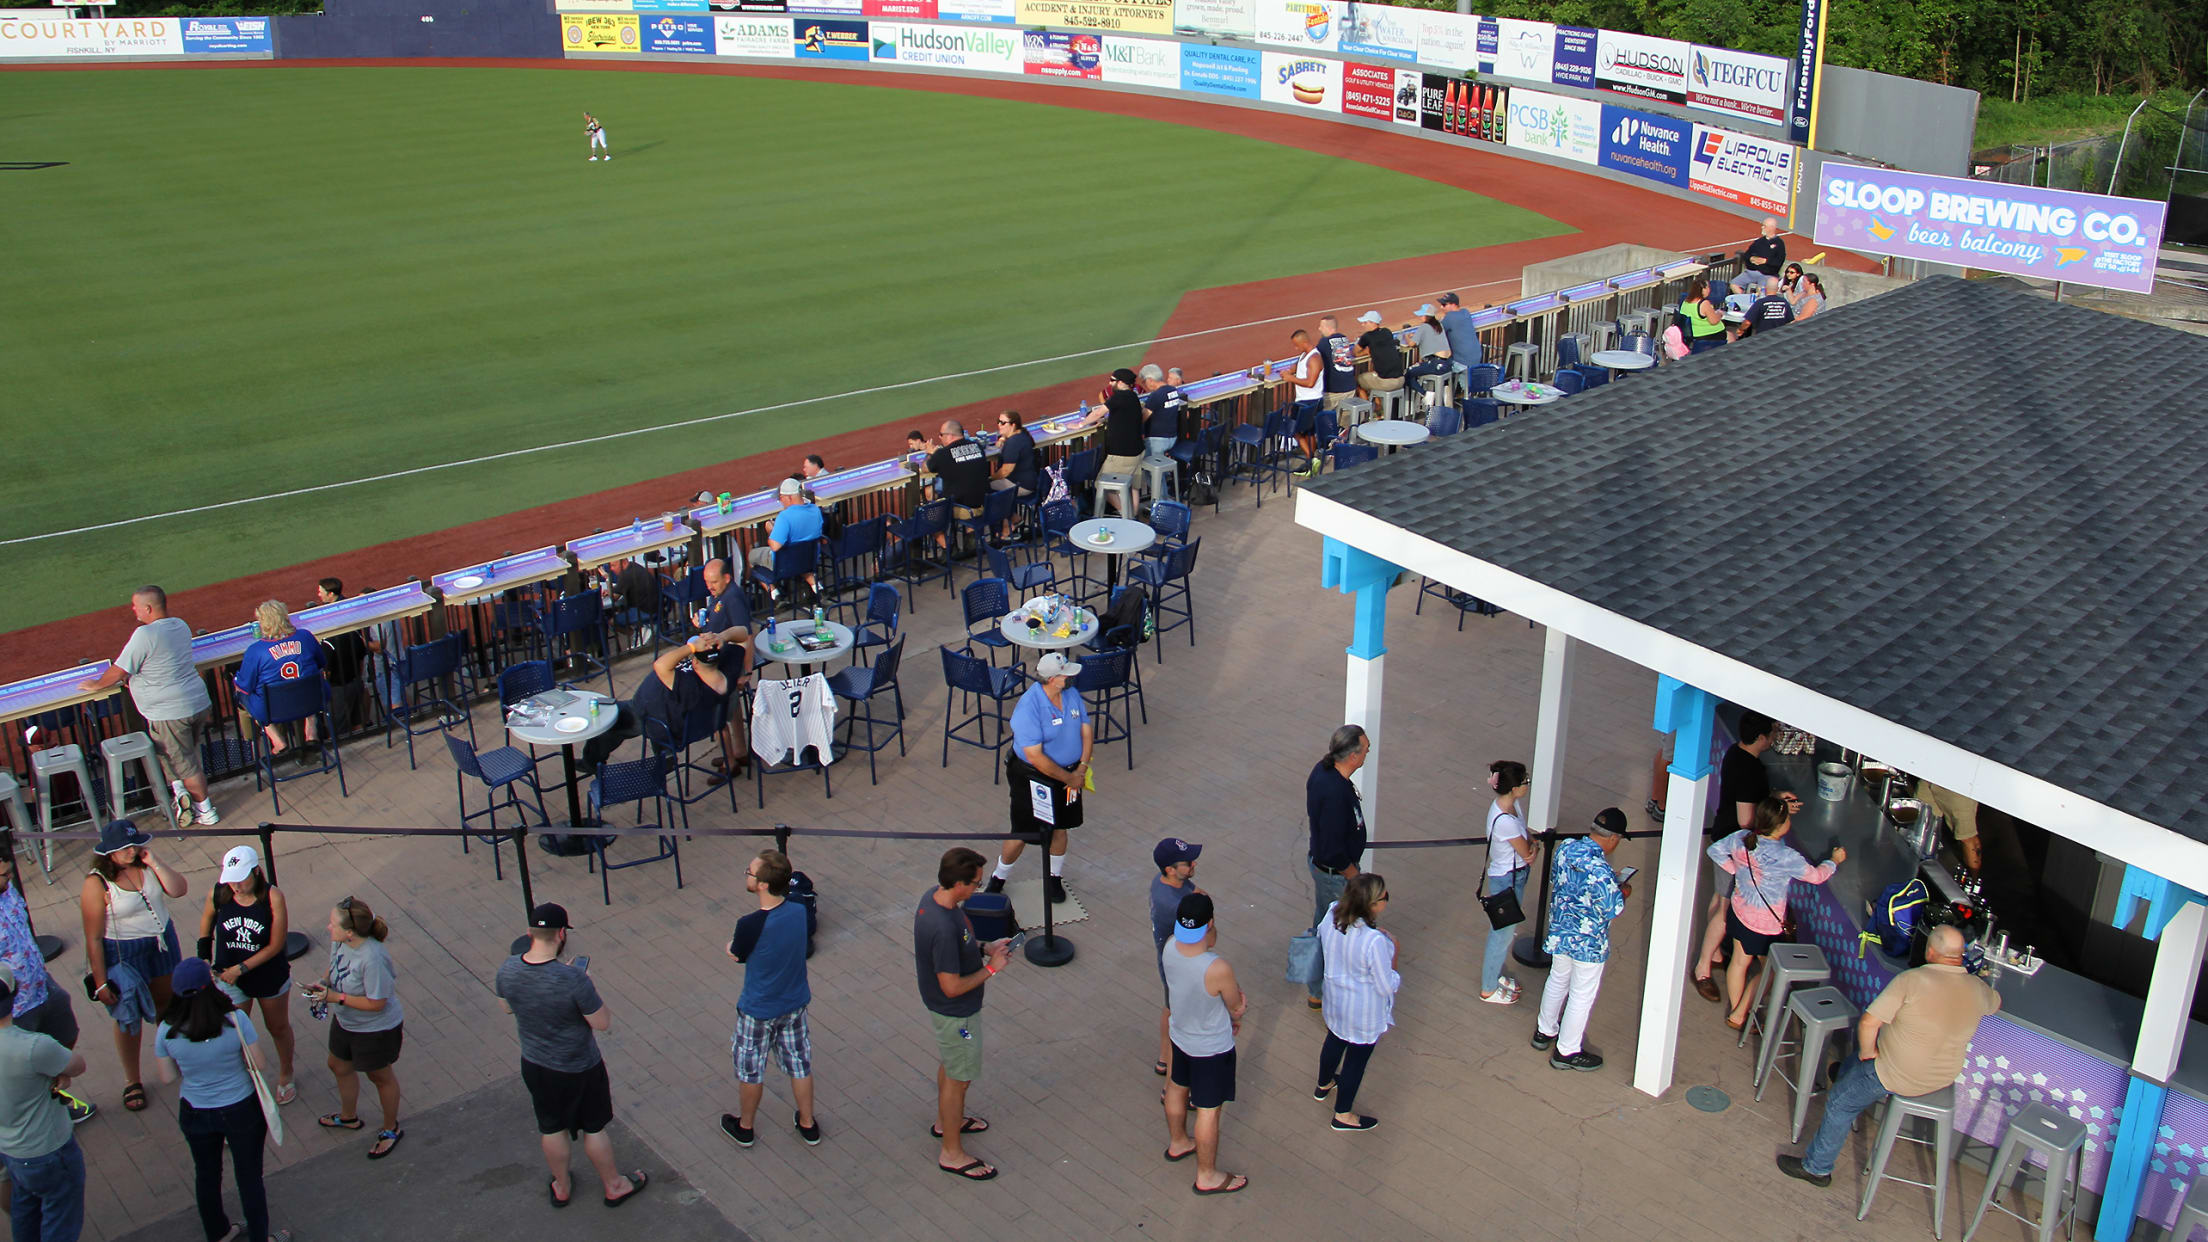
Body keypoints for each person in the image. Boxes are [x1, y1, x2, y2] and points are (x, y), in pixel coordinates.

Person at [1779, 925, 2000, 1188]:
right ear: (1960, 955)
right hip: (1942, 1076)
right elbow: (1994, 1004)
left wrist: (1867, 1053)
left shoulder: (1912, 980)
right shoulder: (1977, 988)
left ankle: (1816, 1168)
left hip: (1897, 1074)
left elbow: (1869, 1023)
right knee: (1859, 1064)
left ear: (1930, 951)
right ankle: (1848, 1074)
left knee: (1841, 1102)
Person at [494, 904, 646, 1208]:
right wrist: (586, 982)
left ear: (529, 933)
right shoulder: (573, 980)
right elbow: (602, 1022)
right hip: (579, 1067)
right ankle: (614, 1185)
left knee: (551, 1126)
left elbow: (506, 1006)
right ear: (562, 934)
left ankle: (561, 1186)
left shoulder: (507, 969)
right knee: (593, 1127)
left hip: (536, 1064)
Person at [152, 957, 288, 1242]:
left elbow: (167, 1077)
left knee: (207, 1175)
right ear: (210, 986)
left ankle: (219, 1232)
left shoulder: (166, 1030)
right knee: (249, 1178)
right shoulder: (234, 1019)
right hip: (241, 1108)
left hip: (195, 1110)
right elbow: (259, 1063)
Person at [78, 586, 219, 826]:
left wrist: (97, 685)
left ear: (148, 608)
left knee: (185, 764)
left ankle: (205, 810)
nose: (133, 609)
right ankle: (181, 794)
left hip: (170, 712)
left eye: (135, 605)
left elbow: (119, 669)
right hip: (196, 702)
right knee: (176, 754)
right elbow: (158, 662)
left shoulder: (145, 635)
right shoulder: (180, 625)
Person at [914, 848, 1013, 1182]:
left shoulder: (938, 899)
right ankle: (952, 1153)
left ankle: (947, 1122)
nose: (978, 889)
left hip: (951, 1014)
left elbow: (963, 940)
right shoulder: (940, 927)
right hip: (957, 1014)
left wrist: (985, 947)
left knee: (951, 1064)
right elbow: (952, 987)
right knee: (960, 1078)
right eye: (975, 883)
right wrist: (992, 969)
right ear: (958, 883)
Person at [78, 820, 185, 1114]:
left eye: (134, 844)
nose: (131, 851)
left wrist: (156, 862)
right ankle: (132, 1079)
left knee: (167, 1003)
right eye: (124, 848)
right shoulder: (96, 882)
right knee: (129, 1015)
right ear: (109, 852)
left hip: (161, 941)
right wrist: (101, 982)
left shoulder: (147, 865)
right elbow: (93, 937)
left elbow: (178, 890)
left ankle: (172, 1055)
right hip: (124, 951)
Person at [1691, 711, 1798, 1002]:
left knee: (1718, 900)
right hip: (1732, 846)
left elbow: (1749, 797)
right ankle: (1703, 967)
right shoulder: (1751, 770)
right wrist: (1777, 813)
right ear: (1761, 738)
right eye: (1773, 733)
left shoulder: (1736, 754)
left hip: (1721, 838)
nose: (1775, 738)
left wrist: (1775, 798)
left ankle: (1712, 955)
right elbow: (1745, 819)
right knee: (1726, 911)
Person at [1716, 798, 1845, 1030]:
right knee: (1771, 971)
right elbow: (1816, 876)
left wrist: (1736, 871)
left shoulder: (1740, 839)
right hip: (1765, 924)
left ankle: (1739, 1012)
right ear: (1782, 824)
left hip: (1739, 910)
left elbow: (1714, 850)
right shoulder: (1786, 857)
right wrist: (1834, 861)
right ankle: (1739, 1013)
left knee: (1739, 962)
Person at [721, 850, 819, 1149]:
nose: (748, 876)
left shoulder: (750, 924)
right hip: (795, 1001)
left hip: (759, 1008)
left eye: (750, 873)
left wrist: (729, 946)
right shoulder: (798, 909)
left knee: (752, 1069)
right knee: (800, 1064)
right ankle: (808, 1123)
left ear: (763, 884)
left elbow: (738, 953)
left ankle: (746, 1126)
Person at [304, 896, 405, 1159]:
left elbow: (377, 1003)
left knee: (380, 1077)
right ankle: (348, 1117)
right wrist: (323, 982)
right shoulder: (342, 942)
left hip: (375, 1029)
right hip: (347, 1021)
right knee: (338, 1065)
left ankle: (390, 1128)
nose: (328, 928)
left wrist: (336, 998)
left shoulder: (373, 958)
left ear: (349, 932)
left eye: (332, 924)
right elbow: (334, 966)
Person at [1161, 892, 1247, 1196]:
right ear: (1210, 924)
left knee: (1176, 1087)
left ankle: (1178, 1142)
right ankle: (1207, 1175)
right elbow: (1235, 1005)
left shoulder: (1170, 947)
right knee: (1209, 1110)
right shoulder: (1216, 967)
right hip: (1210, 1048)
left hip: (1180, 1035)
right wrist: (1239, 1006)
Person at [989, 652, 1091, 906]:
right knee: (1022, 832)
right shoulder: (1028, 709)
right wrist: (1069, 777)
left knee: (1060, 827)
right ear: (1053, 679)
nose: (1071, 677)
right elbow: (1036, 758)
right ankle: (998, 877)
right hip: (1032, 777)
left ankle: (1054, 878)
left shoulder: (1071, 694)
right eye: (1066, 673)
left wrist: (1082, 767)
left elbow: (1086, 730)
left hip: (1070, 775)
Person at [1533, 809, 1630, 1072]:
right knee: (1581, 995)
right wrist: (1622, 890)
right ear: (1614, 839)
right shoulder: (1601, 870)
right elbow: (1613, 909)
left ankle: (1544, 1031)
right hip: (1588, 943)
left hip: (1560, 931)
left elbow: (1557, 879)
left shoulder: (1566, 848)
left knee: (1557, 979)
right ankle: (1566, 1051)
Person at [198, 846, 295, 1105]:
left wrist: (241, 969)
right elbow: (206, 923)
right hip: (228, 974)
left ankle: (287, 1073)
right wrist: (204, 959)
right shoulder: (219, 894)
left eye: (242, 879)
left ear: (256, 872)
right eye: (232, 880)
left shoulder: (272, 897)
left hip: (266, 974)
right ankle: (242, 1077)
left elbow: (275, 945)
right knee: (234, 1030)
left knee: (277, 1026)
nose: (237, 886)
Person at [0, 961, 89, 1242]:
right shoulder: (35, 1046)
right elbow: (77, 1065)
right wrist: (60, 1076)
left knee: (25, 1216)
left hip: (11, 1153)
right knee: (61, 1220)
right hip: (49, 1151)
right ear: (14, 998)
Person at [0, 855, 89, 1126]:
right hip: (13, 1007)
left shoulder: (7, 889)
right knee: (23, 1064)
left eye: (8, 872)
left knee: (65, 1032)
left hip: (41, 984)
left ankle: (53, 1091)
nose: (10, 878)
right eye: (3, 875)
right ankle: (44, 1112)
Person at [580, 632, 736, 772]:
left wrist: (691, 647)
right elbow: (742, 632)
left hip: (650, 717)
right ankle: (664, 752)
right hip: (659, 711)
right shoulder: (723, 673)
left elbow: (661, 665)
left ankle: (591, 763)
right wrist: (720, 637)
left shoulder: (690, 685)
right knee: (618, 721)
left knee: (607, 720)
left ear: (695, 662)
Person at [1315, 873, 1397, 1132]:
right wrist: (1394, 955)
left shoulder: (1331, 914)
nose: (1386, 900)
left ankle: (1324, 1084)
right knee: (1356, 1061)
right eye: (1384, 896)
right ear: (1372, 905)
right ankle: (1343, 1114)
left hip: (1335, 1000)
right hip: (1362, 1012)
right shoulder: (1374, 942)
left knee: (1334, 1040)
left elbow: (1321, 937)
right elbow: (1386, 985)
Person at [1304, 725, 1368, 1009]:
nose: (1368, 751)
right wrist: (1354, 877)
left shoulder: (1325, 771)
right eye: (1365, 748)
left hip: (1329, 870)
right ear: (1352, 756)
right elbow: (1332, 850)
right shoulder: (1333, 793)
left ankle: (1317, 985)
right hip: (1334, 875)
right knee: (1333, 931)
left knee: (1323, 924)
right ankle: (1321, 987)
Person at [233, 599, 327, 758]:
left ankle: (278, 741)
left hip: (272, 711)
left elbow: (245, 686)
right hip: (314, 700)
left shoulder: (256, 651)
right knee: (310, 682)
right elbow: (321, 663)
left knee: (241, 694)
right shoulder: (305, 636)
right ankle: (311, 730)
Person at [1479, 760, 1535, 1005]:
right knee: (1501, 934)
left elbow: (1527, 840)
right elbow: (1527, 852)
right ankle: (1488, 988)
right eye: (1525, 781)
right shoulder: (1505, 821)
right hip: (1508, 879)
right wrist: (1534, 848)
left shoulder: (1509, 806)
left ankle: (1494, 976)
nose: (1527, 785)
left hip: (1511, 875)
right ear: (1513, 787)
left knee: (1503, 931)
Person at [1149, 837, 1203, 1077]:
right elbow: (1205, 927)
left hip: (1172, 958)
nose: (1194, 865)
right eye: (1188, 862)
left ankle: (1163, 1058)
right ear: (1170, 870)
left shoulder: (1164, 883)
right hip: (1179, 966)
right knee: (1181, 1019)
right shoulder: (1175, 904)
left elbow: (1199, 897)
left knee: (1170, 1008)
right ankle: (1174, 1077)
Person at [1079, 369, 1147, 519]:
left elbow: (1097, 413)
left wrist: (1080, 424)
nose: (1110, 383)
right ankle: (1134, 515)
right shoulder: (1133, 397)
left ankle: (1126, 515)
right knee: (1133, 486)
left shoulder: (1119, 397)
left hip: (1122, 454)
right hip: (1137, 450)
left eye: (1112, 380)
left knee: (1102, 485)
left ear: (1121, 382)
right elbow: (1123, 416)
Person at [314, 578, 376, 734]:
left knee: (339, 727)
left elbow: (327, 667)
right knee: (356, 720)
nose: (318, 594)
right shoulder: (348, 613)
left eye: (321, 592)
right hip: (354, 677)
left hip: (340, 684)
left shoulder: (331, 638)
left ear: (331, 594)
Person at [924, 418, 994, 526]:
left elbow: (926, 468)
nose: (939, 438)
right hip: (987, 503)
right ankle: (971, 534)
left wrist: (931, 452)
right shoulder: (977, 446)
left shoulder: (943, 454)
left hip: (964, 509)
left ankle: (945, 543)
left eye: (941, 435)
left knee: (926, 515)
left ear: (949, 435)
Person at [1280, 328, 1325, 466]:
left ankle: (1311, 458)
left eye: (1296, 345)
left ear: (1304, 342)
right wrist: (1291, 370)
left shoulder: (1315, 358)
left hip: (1309, 402)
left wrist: (1290, 378)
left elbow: (1310, 382)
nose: (1295, 348)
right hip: (1304, 401)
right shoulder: (1305, 355)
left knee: (1295, 430)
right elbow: (1299, 366)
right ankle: (1312, 458)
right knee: (1308, 432)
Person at [1918, 780, 1984, 872]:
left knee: (1967, 838)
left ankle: (1972, 881)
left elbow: (1969, 840)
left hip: (1959, 783)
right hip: (1931, 774)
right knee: (1920, 822)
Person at [1137, 363, 1187, 467]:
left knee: (1153, 474)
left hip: (1157, 441)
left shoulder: (1155, 396)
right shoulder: (1173, 390)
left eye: (1144, 381)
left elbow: (1142, 418)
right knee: (1160, 470)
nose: (1145, 385)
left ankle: (1163, 484)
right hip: (1172, 437)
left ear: (1150, 380)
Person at [1353, 311, 1406, 404]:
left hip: (1387, 382)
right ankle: (1378, 407)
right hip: (1401, 379)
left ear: (1372, 323)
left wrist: (1365, 352)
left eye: (1365, 322)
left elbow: (1355, 352)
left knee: (1357, 380)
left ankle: (1369, 412)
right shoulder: (1387, 332)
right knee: (1372, 376)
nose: (1362, 325)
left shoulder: (1367, 336)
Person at [990, 411, 1039, 499]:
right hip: (1030, 481)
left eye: (1003, 423)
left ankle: (998, 511)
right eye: (998, 421)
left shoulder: (1013, 443)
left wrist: (991, 478)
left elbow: (1005, 471)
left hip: (1020, 486)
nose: (999, 425)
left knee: (984, 486)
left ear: (1013, 425)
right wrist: (1003, 438)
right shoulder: (1022, 433)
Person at [1316, 315, 1359, 415]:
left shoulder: (1324, 342)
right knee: (1345, 422)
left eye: (1321, 326)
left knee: (1319, 415)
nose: (1319, 329)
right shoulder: (1344, 338)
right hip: (1350, 389)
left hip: (1334, 392)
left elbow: (1314, 357)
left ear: (1328, 328)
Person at [1436, 291, 1483, 378]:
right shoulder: (1465, 312)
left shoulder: (1450, 317)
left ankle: (1445, 389)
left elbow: (1435, 331)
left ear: (1453, 304)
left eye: (1444, 305)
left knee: (1437, 364)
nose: (1441, 307)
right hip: (1477, 360)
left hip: (1463, 364)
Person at [1679, 281, 1726, 354]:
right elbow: (1714, 321)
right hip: (1706, 335)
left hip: (1690, 334)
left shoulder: (1686, 301)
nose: (1709, 290)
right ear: (1703, 289)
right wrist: (1719, 314)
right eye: (1708, 287)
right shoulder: (1704, 303)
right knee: (1731, 336)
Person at [1742, 217, 1787, 282]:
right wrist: (1752, 258)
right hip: (1752, 272)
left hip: (1768, 275)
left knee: (1760, 288)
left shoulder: (1779, 244)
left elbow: (1779, 261)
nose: (1762, 227)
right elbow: (1747, 254)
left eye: (1764, 226)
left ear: (1771, 228)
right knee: (1734, 284)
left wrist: (1765, 261)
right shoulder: (1759, 241)